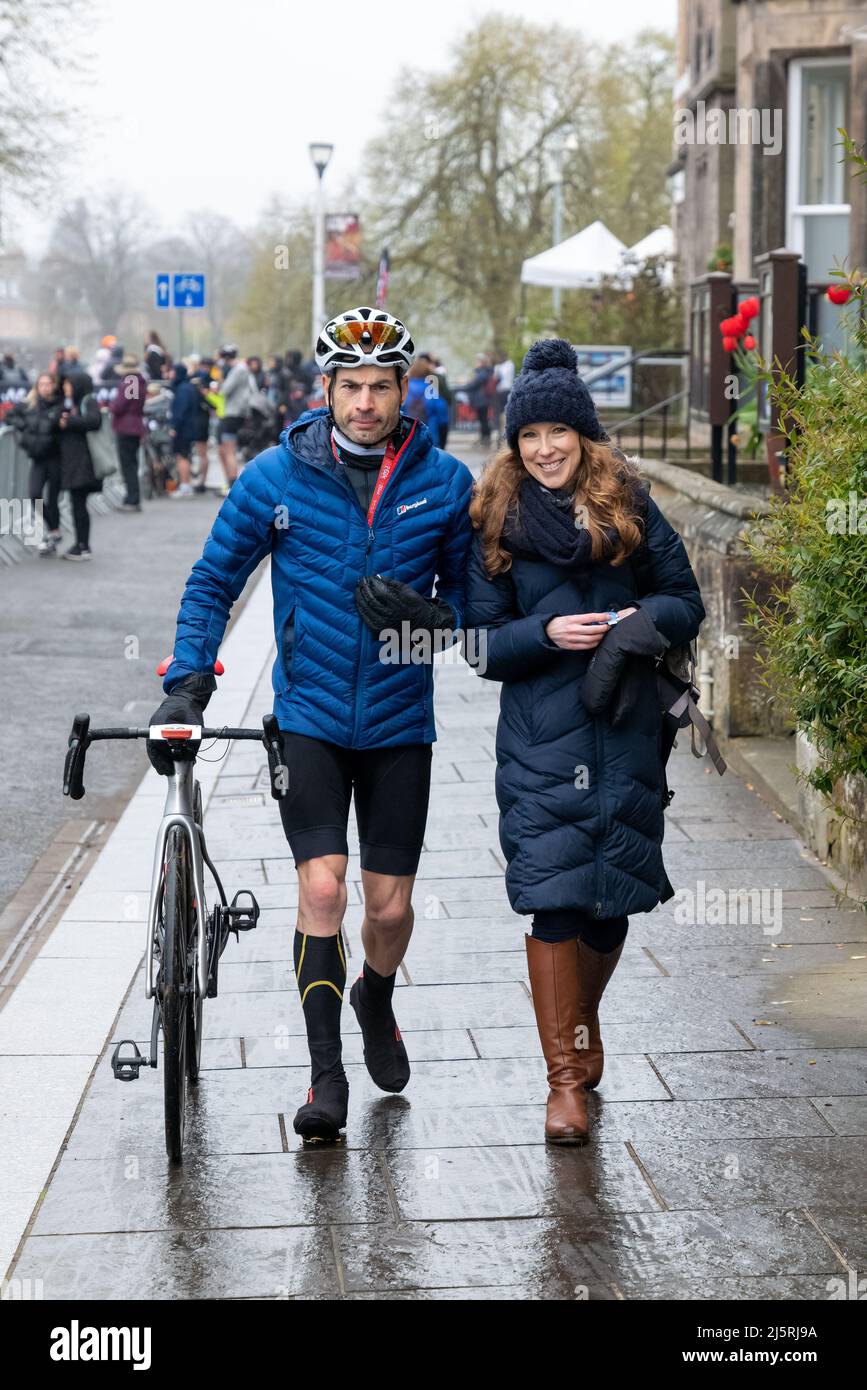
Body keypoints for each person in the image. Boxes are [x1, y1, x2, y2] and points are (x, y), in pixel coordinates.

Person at [147, 306, 474, 1145]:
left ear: (407, 389)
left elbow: (480, 610)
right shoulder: (275, 478)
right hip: (310, 717)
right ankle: (325, 1076)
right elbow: (212, 581)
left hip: (402, 722)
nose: (365, 402)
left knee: (389, 910)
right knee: (323, 887)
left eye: (380, 386)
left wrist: (431, 618)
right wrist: (189, 681)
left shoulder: (444, 485)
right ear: (324, 389)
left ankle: (376, 994)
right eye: (350, 386)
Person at [464, 339, 705, 1145]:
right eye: (528, 438)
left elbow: (683, 598)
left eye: (557, 435)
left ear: (583, 437)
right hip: (538, 738)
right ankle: (562, 1082)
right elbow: (478, 642)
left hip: (626, 729)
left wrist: (634, 625)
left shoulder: (627, 502)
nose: (543, 450)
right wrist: (545, 631)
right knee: (553, 902)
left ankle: (578, 1023)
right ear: (515, 444)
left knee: (610, 902)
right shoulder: (494, 515)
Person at [9, 371, 64, 555]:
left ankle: (53, 534)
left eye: (48, 384)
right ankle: (53, 529)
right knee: (35, 494)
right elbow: (10, 416)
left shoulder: (59, 404)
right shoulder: (29, 405)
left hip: (56, 457)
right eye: (41, 384)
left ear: (53, 385)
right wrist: (23, 427)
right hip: (38, 457)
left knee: (54, 499)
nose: (44, 388)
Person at [57, 369, 102, 561]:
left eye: (69, 384)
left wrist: (69, 421)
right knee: (77, 504)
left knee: (79, 504)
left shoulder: (88, 401)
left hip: (84, 463)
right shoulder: (74, 403)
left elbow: (94, 421)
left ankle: (82, 545)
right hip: (77, 462)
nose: (65, 388)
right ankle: (81, 544)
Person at [110, 352, 147, 511]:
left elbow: (120, 405)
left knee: (128, 465)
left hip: (126, 426)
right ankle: (132, 497)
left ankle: (132, 499)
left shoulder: (130, 383)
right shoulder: (140, 382)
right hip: (135, 425)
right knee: (132, 463)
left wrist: (111, 406)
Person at [217, 345, 252, 488]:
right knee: (229, 449)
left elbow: (224, 390)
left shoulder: (238, 370)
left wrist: (220, 380)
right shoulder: (244, 369)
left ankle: (232, 482)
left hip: (233, 413)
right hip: (239, 412)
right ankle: (231, 481)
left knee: (229, 450)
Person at [168, 362, 200, 499]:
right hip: (191, 427)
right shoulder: (189, 387)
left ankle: (185, 485)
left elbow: (180, 410)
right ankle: (187, 484)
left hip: (183, 429)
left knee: (181, 456)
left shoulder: (182, 390)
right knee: (186, 456)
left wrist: (174, 426)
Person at [455, 352, 495, 443]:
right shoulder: (484, 371)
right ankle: (484, 437)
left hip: (482, 400)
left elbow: (475, 383)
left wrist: (464, 385)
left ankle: (486, 438)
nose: (476, 363)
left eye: (477, 361)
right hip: (481, 400)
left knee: (483, 419)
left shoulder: (483, 372)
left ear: (481, 362)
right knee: (482, 419)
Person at [493, 352, 515, 440]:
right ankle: (500, 431)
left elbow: (500, 376)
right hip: (499, 391)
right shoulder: (499, 366)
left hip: (506, 390)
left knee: (505, 412)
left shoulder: (509, 365)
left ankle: (505, 430)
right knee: (499, 412)